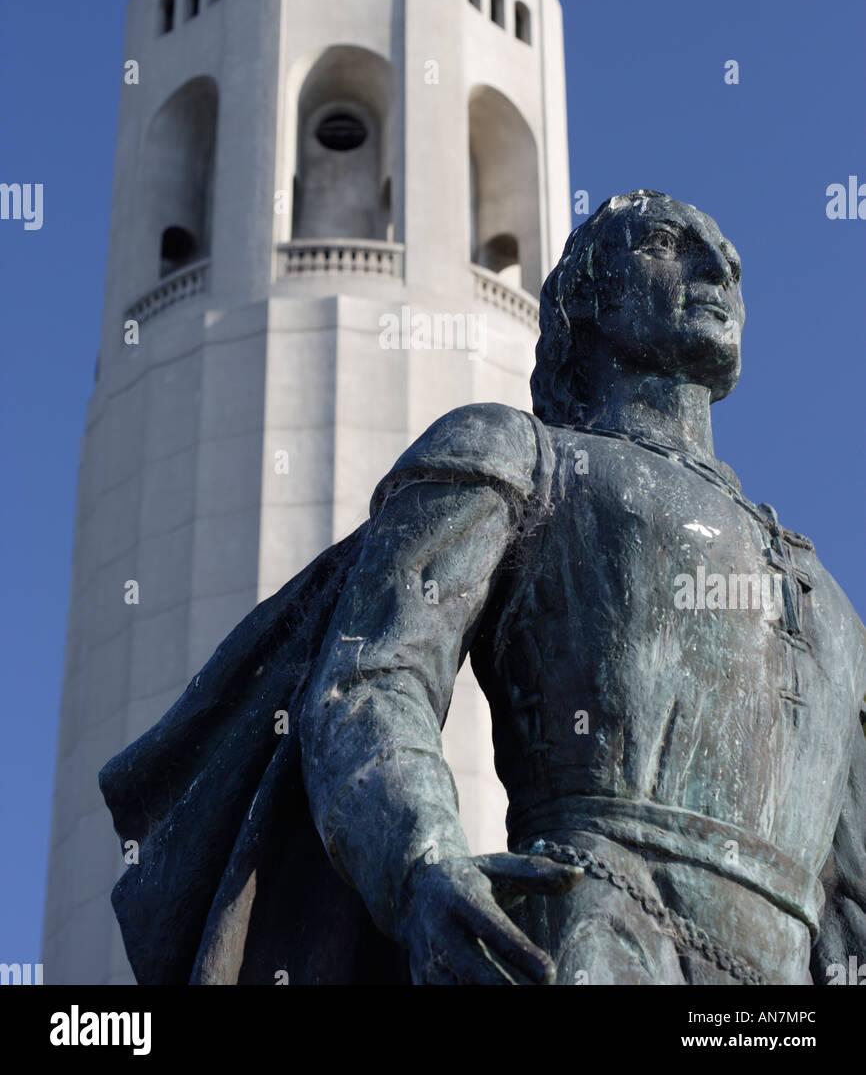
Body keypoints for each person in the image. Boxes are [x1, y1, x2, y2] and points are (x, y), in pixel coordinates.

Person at [102, 191, 866, 985]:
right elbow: (372, 678)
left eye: (731, 262)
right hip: (593, 940)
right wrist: (421, 861)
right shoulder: (523, 457)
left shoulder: (832, 604)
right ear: (588, 293)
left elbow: (854, 904)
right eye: (670, 243)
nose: (718, 270)